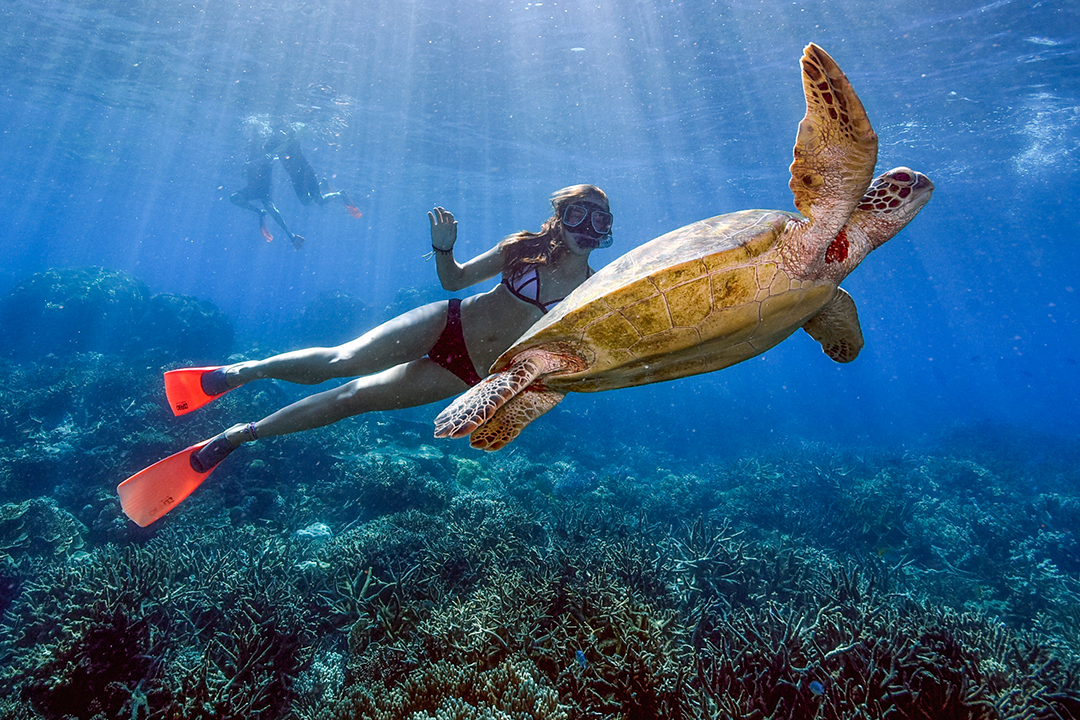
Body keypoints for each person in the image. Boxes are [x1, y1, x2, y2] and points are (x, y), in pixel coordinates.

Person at [118, 185, 615, 526]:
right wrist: (444, 249)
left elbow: (571, 353)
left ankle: (236, 436)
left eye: (598, 219)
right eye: (577, 214)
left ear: (606, 229)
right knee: (341, 363)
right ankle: (240, 373)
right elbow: (456, 280)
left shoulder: (593, 291)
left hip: (466, 373)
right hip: (449, 321)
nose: (585, 226)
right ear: (560, 216)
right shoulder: (523, 248)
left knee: (352, 399)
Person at [229, 126, 362, 250]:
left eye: (281, 133)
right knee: (306, 201)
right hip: (296, 180)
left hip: (307, 173)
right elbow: (267, 155)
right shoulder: (275, 149)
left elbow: (293, 136)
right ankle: (322, 185)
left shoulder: (290, 142)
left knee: (319, 200)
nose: (280, 135)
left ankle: (340, 194)